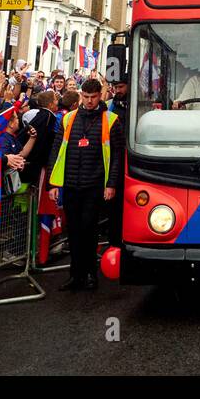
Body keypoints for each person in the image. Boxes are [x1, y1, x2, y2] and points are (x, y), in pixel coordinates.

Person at [46, 78, 124, 291]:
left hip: (95, 184)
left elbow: (117, 155)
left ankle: (90, 274)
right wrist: (52, 184)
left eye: (94, 97)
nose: (89, 101)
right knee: (74, 231)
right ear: (81, 95)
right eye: (86, 97)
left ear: (100, 96)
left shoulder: (111, 120)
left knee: (89, 230)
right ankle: (75, 275)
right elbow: (56, 150)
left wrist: (111, 184)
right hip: (71, 184)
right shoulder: (68, 119)